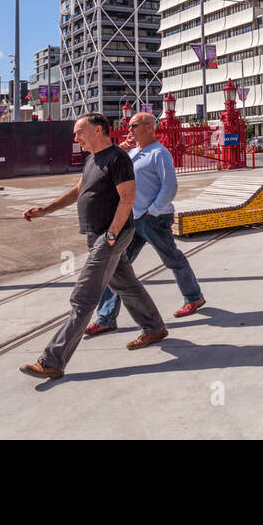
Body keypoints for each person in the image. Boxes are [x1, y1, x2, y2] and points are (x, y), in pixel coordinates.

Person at [19, 113, 168, 380]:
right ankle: (153, 327)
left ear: (98, 130)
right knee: (125, 284)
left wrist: (111, 236)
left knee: (84, 297)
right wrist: (46, 209)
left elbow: (128, 198)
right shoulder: (92, 160)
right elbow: (79, 190)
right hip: (99, 235)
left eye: (80, 132)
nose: (75, 138)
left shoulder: (117, 159)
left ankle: (52, 360)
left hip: (110, 236)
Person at [85, 111, 205, 336]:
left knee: (172, 259)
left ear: (149, 127)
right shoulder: (132, 153)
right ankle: (106, 317)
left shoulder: (159, 153)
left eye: (133, 126)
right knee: (116, 268)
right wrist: (120, 149)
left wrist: (152, 211)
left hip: (153, 219)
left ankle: (194, 297)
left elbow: (169, 187)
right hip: (133, 218)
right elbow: (112, 170)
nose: (129, 129)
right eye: (128, 126)